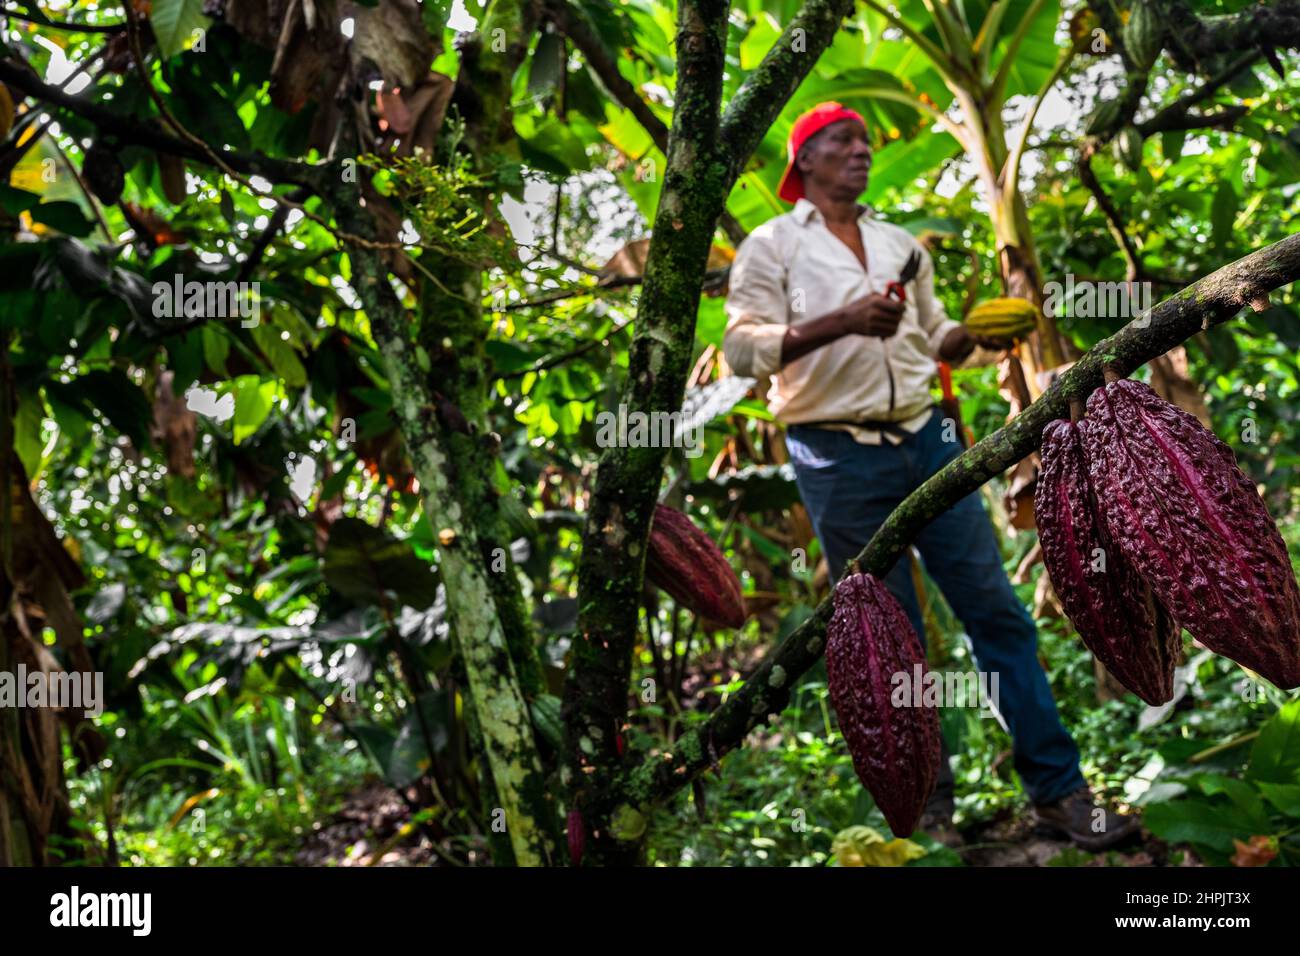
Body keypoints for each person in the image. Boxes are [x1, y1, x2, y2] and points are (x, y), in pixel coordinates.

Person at [722, 101, 1139, 851]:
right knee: (891, 641)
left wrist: (973, 334)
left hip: (928, 440)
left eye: (865, 142)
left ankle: (1058, 790)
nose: (860, 152)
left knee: (996, 613)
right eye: (842, 141)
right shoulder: (771, 246)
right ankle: (927, 818)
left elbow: (933, 335)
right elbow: (741, 351)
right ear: (803, 161)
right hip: (835, 454)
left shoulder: (899, 244)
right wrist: (838, 322)